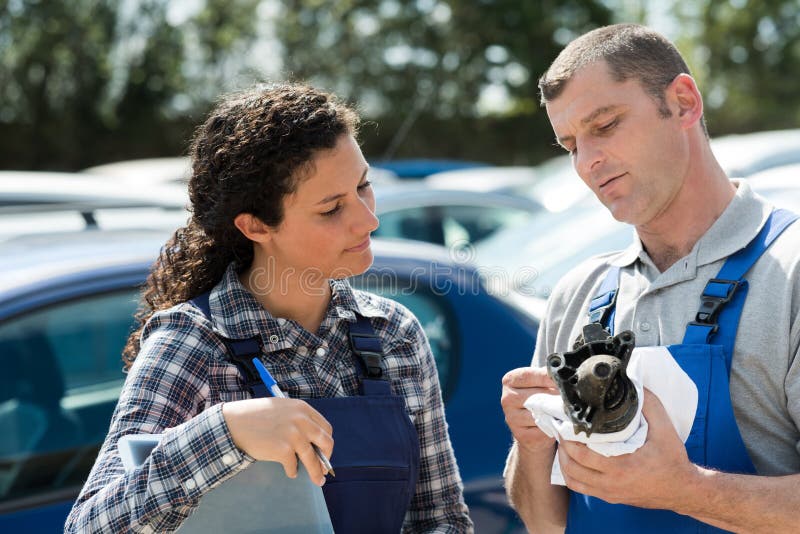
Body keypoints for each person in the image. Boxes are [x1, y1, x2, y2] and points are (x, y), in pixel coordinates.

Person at [66, 83, 473, 533]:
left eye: (363, 186)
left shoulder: (395, 334)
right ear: (256, 226)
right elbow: (89, 527)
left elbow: (442, 520)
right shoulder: (191, 345)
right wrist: (226, 433)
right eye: (331, 209)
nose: (368, 219)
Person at [501, 23, 800, 533]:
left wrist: (687, 491)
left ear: (683, 103)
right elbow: (544, 523)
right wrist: (531, 444)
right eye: (570, 145)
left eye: (605, 125)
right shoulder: (579, 295)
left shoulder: (790, 271)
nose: (587, 162)